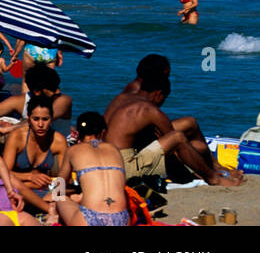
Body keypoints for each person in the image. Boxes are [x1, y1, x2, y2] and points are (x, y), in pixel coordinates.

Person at [103, 71, 241, 186]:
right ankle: (214, 178)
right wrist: (199, 170)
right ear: (158, 94)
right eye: (165, 97)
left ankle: (211, 169)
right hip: (125, 167)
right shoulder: (149, 109)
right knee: (178, 138)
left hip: (107, 161)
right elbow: (174, 143)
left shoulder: (124, 98)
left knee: (187, 126)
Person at [0, 94, 70, 214]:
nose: (40, 124)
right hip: (18, 190)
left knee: (73, 198)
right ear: (28, 118)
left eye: (45, 119)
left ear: (52, 118)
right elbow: (4, 174)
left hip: (45, 191)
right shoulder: (17, 137)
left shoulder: (58, 141)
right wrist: (30, 177)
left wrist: (54, 196)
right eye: (36, 119)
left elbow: (64, 177)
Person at [58, 112, 130, 226]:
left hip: (89, 218)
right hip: (121, 219)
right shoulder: (115, 149)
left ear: (77, 134)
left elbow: (58, 185)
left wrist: (74, 194)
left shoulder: (73, 150)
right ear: (102, 132)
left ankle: (52, 215)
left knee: (59, 197)